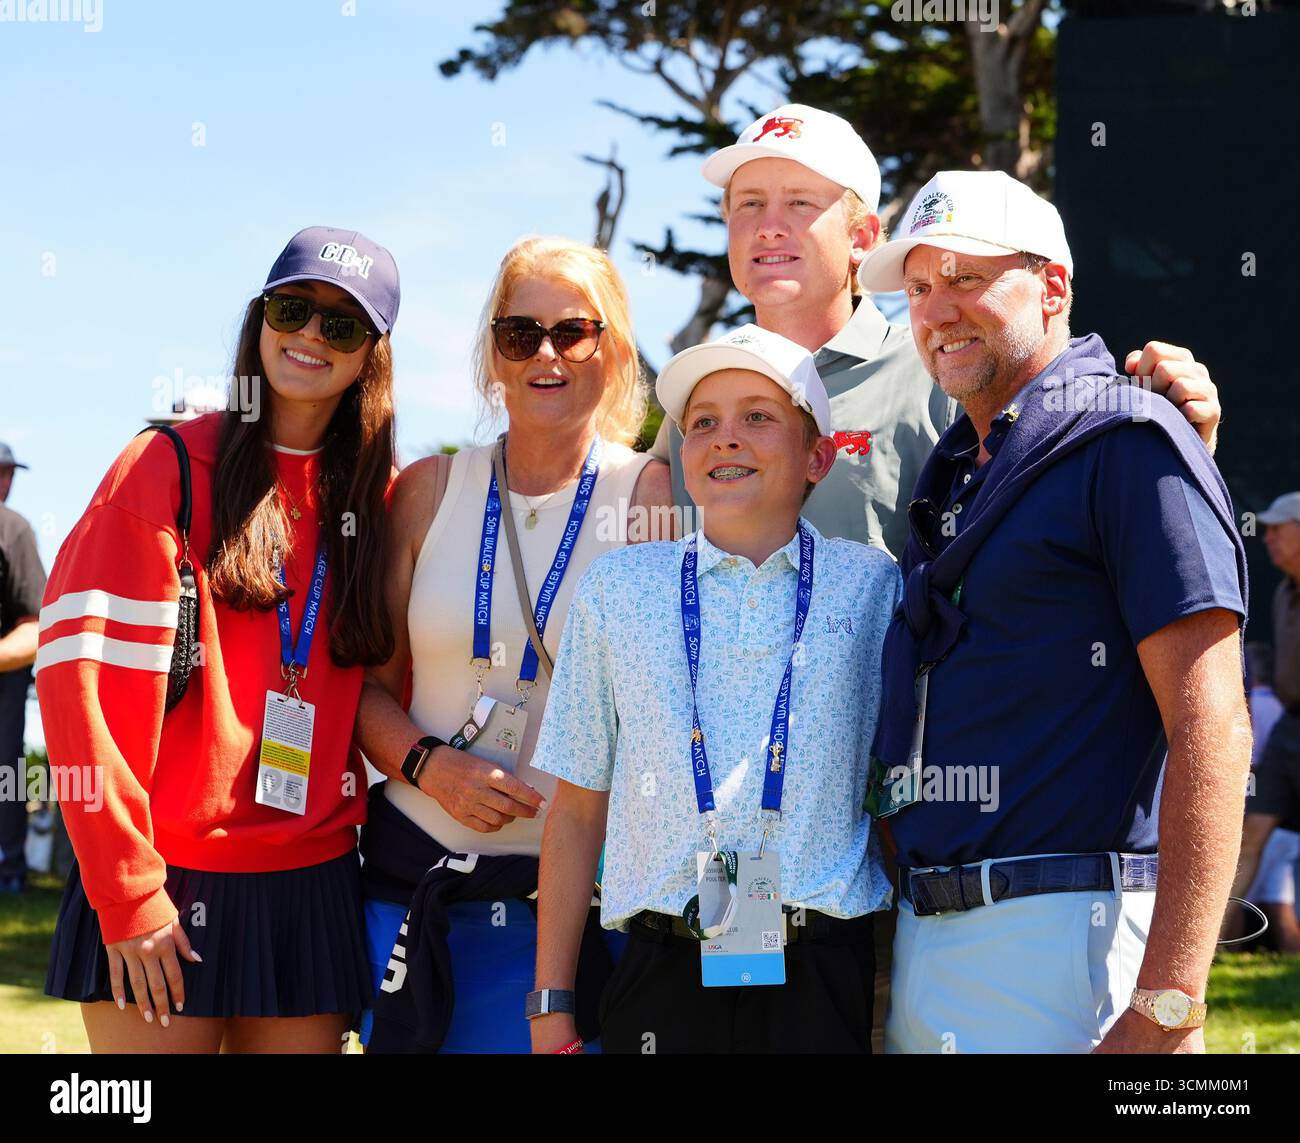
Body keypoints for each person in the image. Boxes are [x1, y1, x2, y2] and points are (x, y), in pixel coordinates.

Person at [858, 170, 1250, 1054]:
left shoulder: (1131, 438)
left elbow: (1213, 722)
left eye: (966, 277)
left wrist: (1170, 1001)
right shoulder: (957, 469)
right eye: (919, 287)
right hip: (931, 942)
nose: (936, 308)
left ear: (1054, 286)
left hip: (1074, 945)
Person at [37, 226, 401, 1052]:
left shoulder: (377, 501)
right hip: (162, 874)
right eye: (292, 308)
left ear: (370, 355)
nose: (310, 335)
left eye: (340, 324)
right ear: (260, 318)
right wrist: (128, 890)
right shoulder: (161, 464)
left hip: (313, 883)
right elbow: (77, 683)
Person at [528, 324, 901, 1054]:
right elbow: (574, 813)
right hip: (661, 966)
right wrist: (551, 1005)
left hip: (824, 967)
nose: (725, 438)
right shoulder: (618, 590)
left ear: (818, 455)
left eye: (758, 416)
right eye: (702, 423)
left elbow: (893, 792)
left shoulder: (873, 587)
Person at [352, 236, 673, 1053]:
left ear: (615, 350)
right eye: (519, 334)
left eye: (573, 331)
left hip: (573, 913)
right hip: (410, 889)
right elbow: (364, 688)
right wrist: (429, 763)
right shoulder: (428, 490)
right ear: (493, 354)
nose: (546, 354)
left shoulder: (651, 495)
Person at [649, 103, 1224, 557]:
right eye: (748, 203)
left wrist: (1174, 441)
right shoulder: (692, 401)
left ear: (862, 237)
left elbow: (1071, 514)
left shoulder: (947, 367)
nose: (769, 227)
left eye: (799, 202)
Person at [1227, 493, 1300, 948]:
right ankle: (1213, 953)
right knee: (1249, 833)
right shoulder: (1281, 591)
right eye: (1266, 527)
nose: (1267, 536)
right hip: (1290, 732)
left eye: (1278, 527)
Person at [0, 443, 46, 894]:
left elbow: (36, 626)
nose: (5, 482)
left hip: (4, 681)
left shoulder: (14, 530)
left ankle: (9, 868)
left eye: (9, 473)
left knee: (6, 773)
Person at [1237, 643, 1300, 951]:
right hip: (1282, 830)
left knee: (1267, 902)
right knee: (1278, 904)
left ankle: (1225, 950)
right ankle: (1217, 951)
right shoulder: (1280, 711)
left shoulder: (1253, 706)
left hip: (1272, 829)